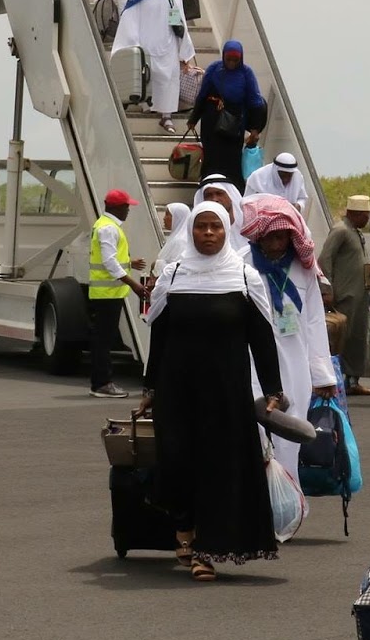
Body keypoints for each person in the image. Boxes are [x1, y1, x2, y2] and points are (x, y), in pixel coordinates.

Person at [137, 201, 283, 581]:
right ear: (191, 231)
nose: (207, 233)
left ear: (226, 231)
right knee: (178, 460)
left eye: (214, 227)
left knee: (218, 467)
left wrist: (273, 389)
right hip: (177, 389)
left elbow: (262, 339)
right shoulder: (175, 274)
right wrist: (150, 386)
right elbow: (160, 335)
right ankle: (183, 528)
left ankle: (206, 549)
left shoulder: (244, 278)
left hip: (226, 393)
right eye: (200, 227)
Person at [242, 195, 339, 480]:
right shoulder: (241, 265)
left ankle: (286, 503)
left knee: (290, 433)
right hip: (252, 362)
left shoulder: (304, 269)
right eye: (269, 237)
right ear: (258, 235)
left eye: (282, 237)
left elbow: (313, 321)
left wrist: (322, 375)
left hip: (295, 362)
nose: (275, 244)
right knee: (255, 429)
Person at [110, 0, 194, 133]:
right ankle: (147, 105)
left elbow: (179, 17)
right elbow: (130, 13)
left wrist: (184, 46)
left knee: (169, 78)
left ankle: (166, 116)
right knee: (150, 75)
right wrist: (132, 38)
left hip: (170, 42)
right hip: (148, 41)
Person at [87, 189, 148, 401]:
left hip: (107, 292)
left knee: (103, 339)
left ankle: (101, 382)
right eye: (126, 206)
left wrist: (130, 264)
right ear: (116, 207)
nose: (128, 210)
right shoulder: (108, 229)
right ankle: (102, 384)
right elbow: (109, 262)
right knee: (103, 341)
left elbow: (110, 260)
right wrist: (134, 285)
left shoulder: (105, 225)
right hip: (107, 294)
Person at [184, 41, 267, 190]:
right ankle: (208, 188)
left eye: (235, 60)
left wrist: (255, 130)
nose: (231, 63)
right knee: (211, 158)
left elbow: (255, 102)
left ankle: (231, 192)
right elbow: (202, 95)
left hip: (234, 124)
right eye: (228, 59)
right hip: (211, 122)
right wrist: (193, 119)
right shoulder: (214, 69)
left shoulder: (246, 73)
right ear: (223, 57)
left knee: (232, 159)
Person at [320, 196, 370, 395]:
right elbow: (325, 259)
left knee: (357, 339)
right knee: (341, 339)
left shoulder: (355, 232)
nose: (367, 219)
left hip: (359, 297)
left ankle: (352, 381)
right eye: (364, 215)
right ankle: (335, 380)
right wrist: (327, 290)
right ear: (354, 214)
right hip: (344, 296)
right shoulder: (340, 230)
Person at [245, 151, 310, 218]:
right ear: (275, 171)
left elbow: (302, 198)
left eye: (289, 176)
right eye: (282, 175)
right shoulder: (257, 178)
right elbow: (246, 204)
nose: (285, 179)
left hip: (289, 220)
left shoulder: (298, 177)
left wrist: (298, 206)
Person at [194, 176, 248, 255]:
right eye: (209, 195)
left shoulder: (249, 230)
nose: (214, 199)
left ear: (231, 196)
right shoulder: (197, 235)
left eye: (219, 194)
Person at [157, 202, 193, 269]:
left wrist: (158, 265)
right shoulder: (174, 238)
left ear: (177, 217)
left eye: (167, 215)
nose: (164, 218)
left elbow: (176, 268)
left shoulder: (181, 241)